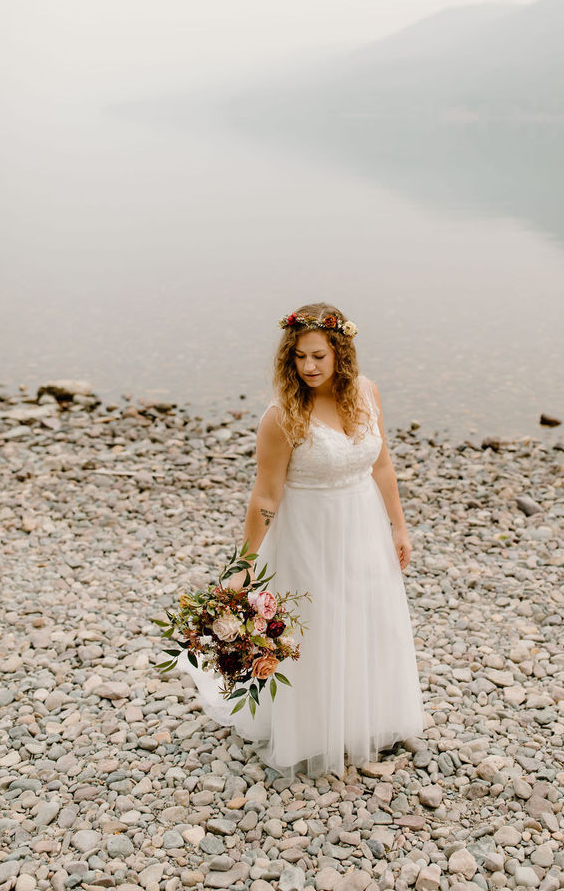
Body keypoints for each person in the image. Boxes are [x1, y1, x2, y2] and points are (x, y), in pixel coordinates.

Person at [177, 302, 426, 779]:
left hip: (362, 523)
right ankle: (312, 728)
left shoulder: (367, 394)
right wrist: (245, 563)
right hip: (308, 533)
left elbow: (382, 466)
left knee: (367, 615)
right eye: (299, 358)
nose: (308, 367)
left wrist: (398, 526)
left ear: (341, 354)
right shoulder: (282, 416)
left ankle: (366, 715)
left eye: (318, 357)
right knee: (319, 624)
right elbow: (265, 495)